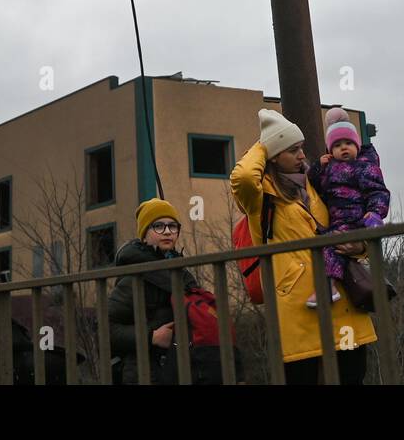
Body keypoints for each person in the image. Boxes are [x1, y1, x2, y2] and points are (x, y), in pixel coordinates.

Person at [231, 109, 378, 384]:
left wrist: (359, 247)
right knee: (302, 377)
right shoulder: (259, 196)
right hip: (297, 303)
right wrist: (264, 143)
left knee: (353, 375)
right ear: (273, 157)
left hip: (340, 294)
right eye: (292, 150)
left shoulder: (317, 182)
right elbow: (242, 178)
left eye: (301, 148)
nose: (302, 155)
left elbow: (348, 218)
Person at [108, 198, 236, 384]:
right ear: (144, 235)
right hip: (144, 374)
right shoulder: (134, 277)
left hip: (180, 369)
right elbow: (106, 329)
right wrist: (151, 336)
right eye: (158, 226)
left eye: (172, 226)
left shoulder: (181, 274)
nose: (167, 231)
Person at [306, 108, 390, 308]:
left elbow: (378, 190)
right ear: (330, 150)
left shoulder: (364, 167)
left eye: (349, 143)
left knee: (330, 246)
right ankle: (329, 286)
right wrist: (318, 166)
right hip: (338, 219)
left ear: (358, 146)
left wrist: (375, 213)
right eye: (337, 145)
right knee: (330, 245)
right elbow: (315, 185)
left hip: (355, 218)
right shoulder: (329, 168)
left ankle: (328, 286)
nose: (344, 148)